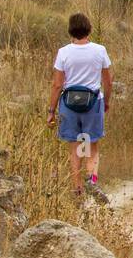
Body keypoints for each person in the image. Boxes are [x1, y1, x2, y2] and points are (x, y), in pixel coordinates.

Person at [48, 13, 113, 200]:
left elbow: (57, 85)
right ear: (89, 29)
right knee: (91, 144)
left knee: (76, 146)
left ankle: (77, 190)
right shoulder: (100, 50)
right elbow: (108, 81)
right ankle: (91, 180)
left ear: (71, 30)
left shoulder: (63, 52)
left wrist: (51, 111)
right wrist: (106, 101)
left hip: (69, 105)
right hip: (93, 103)